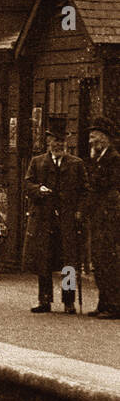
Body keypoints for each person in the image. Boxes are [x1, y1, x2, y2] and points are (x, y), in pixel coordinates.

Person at [24, 127, 85, 313]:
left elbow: (84, 190)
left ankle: (69, 301)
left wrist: (79, 211)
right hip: (44, 218)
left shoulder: (76, 164)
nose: (58, 144)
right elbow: (27, 184)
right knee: (43, 260)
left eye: (61, 141)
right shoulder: (37, 162)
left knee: (69, 261)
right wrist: (38, 190)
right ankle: (44, 300)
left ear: (66, 143)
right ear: (48, 142)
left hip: (67, 219)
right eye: (54, 141)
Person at [83, 117, 120, 319]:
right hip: (98, 217)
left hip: (108, 217)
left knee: (109, 261)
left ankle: (114, 305)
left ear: (103, 138)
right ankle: (103, 302)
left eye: (93, 137)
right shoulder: (97, 159)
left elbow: (105, 187)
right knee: (99, 259)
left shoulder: (113, 159)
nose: (90, 141)